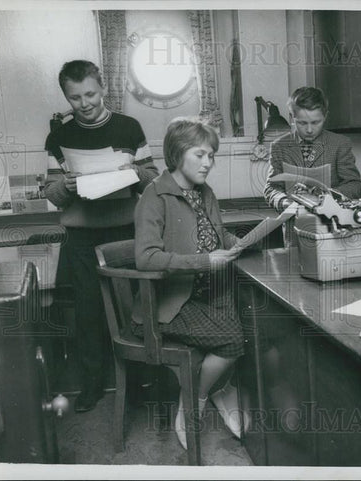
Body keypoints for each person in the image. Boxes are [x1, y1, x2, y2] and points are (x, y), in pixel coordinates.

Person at [44, 60, 159, 413]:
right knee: (88, 315)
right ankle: (92, 386)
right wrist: (64, 184)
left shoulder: (128, 127)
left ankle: (142, 385)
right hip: (82, 240)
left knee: (135, 313)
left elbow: (154, 181)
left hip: (125, 235)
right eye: (75, 97)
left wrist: (135, 171)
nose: (85, 103)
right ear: (66, 96)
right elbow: (51, 192)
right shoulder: (59, 136)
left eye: (90, 93)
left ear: (103, 88)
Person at [133, 119, 245, 450]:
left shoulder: (204, 193)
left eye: (212, 155)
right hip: (170, 303)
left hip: (206, 291)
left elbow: (215, 234)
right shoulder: (154, 196)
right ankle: (195, 398)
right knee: (233, 339)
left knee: (253, 318)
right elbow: (146, 259)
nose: (208, 162)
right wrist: (203, 261)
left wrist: (239, 241)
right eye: (201, 154)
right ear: (178, 153)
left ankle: (220, 389)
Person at [263, 87, 361, 245]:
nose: (309, 130)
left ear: (325, 116)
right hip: (295, 234)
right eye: (302, 123)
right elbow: (271, 188)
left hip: (334, 232)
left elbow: (356, 185)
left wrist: (326, 197)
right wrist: (283, 202)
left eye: (316, 122)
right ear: (292, 118)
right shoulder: (279, 146)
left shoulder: (340, 144)